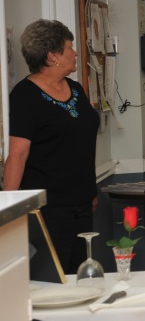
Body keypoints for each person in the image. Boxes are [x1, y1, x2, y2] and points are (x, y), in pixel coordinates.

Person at [3, 20, 100, 273]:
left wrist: (90, 190)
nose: (75, 52)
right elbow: (17, 154)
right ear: (52, 55)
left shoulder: (77, 90)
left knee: (82, 277)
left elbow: (80, 143)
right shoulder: (25, 96)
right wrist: (8, 210)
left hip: (83, 202)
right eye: (70, 47)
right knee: (55, 279)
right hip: (49, 208)